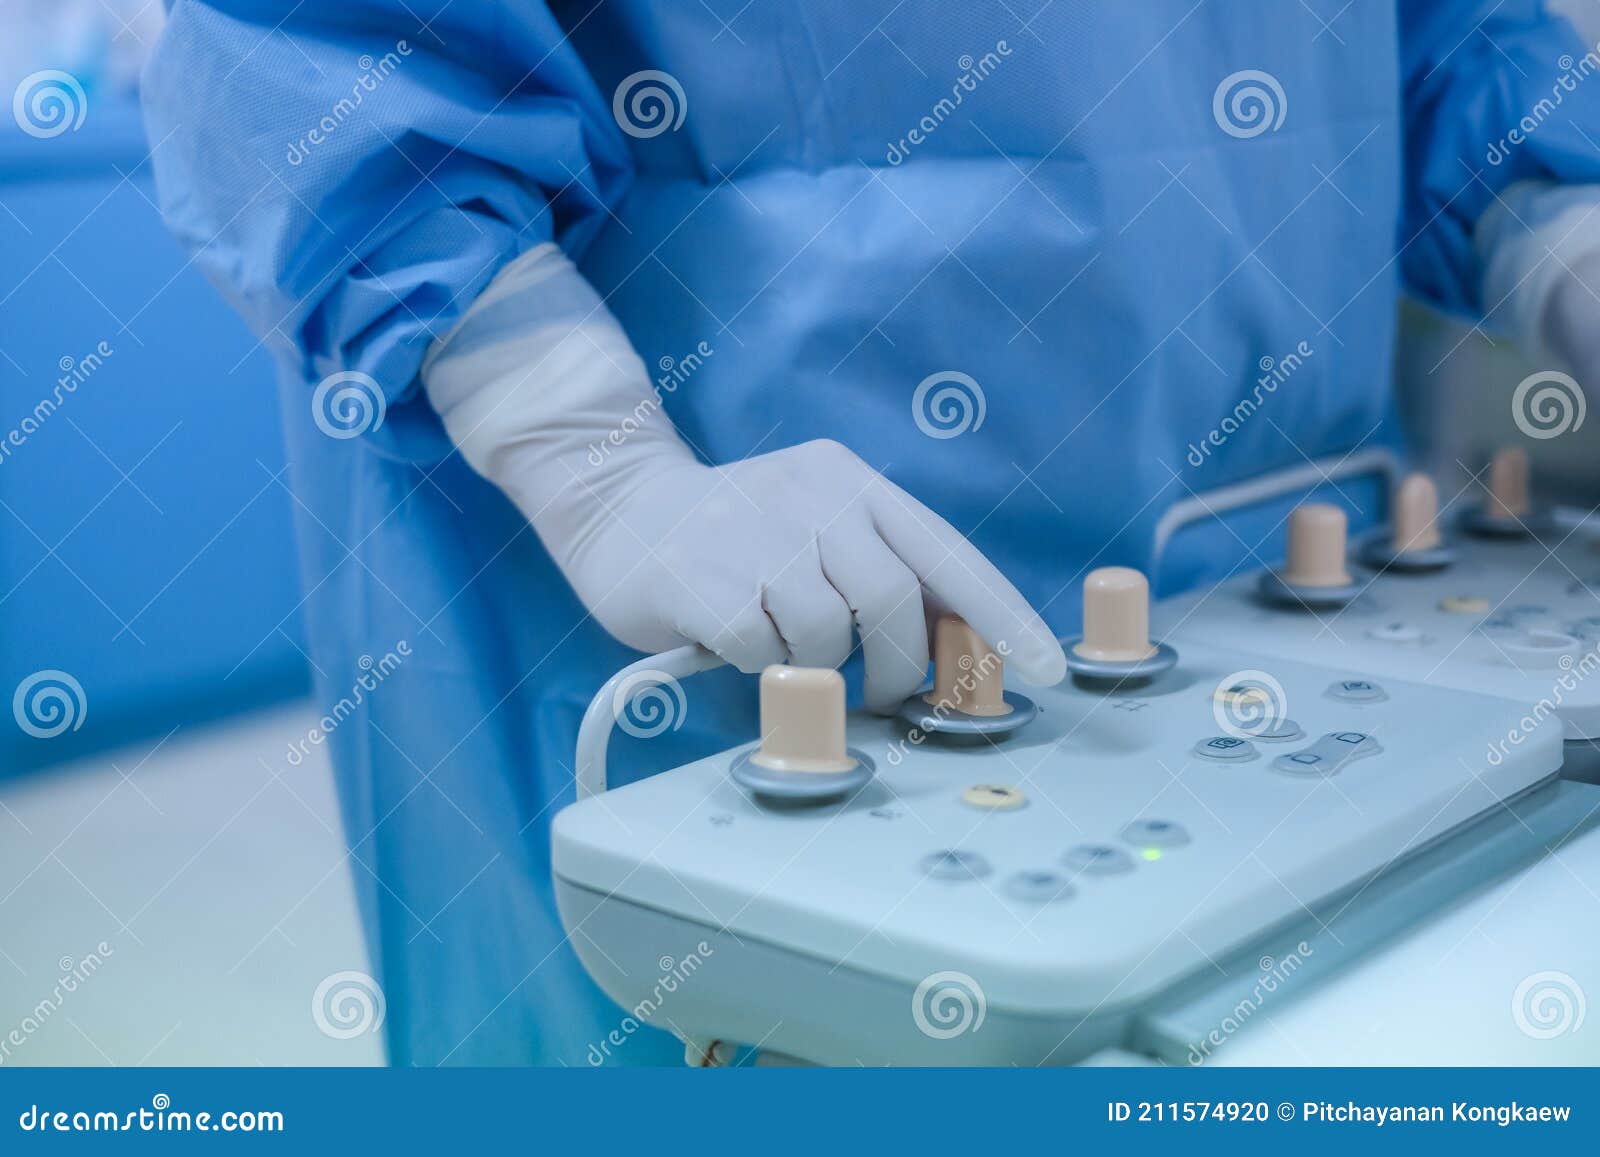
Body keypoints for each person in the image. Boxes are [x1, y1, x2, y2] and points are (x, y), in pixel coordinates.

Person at [142, 1, 1600, 1064]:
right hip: (706, 638)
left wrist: (1551, 219)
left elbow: (1417, 38)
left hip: (1286, 572)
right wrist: (582, 441)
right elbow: (314, 60)